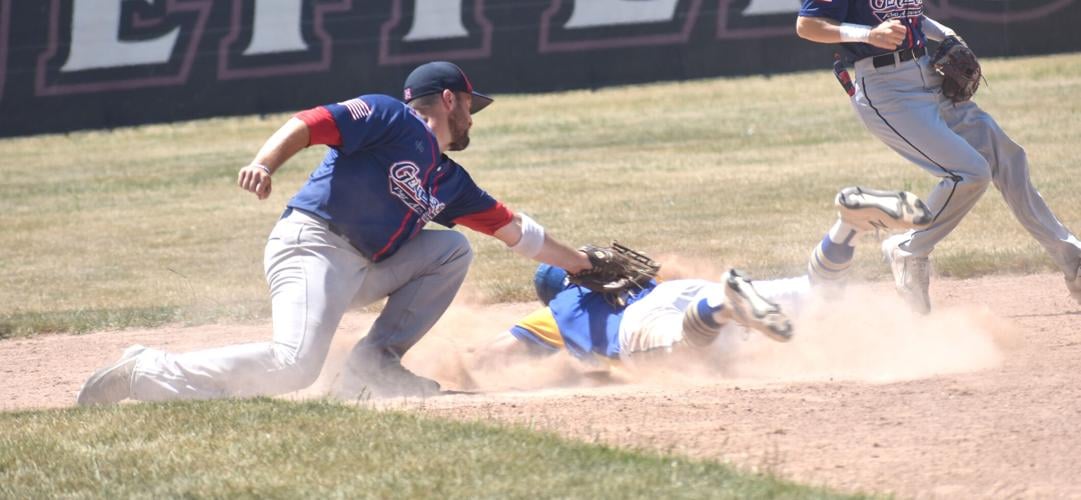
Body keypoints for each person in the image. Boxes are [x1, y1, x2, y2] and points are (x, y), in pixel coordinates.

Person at [76, 61, 599, 404]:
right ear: (447, 99)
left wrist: (582, 264)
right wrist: (264, 162)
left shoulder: (448, 178)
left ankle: (374, 366)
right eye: (469, 105)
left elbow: (517, 232)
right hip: (313, 247)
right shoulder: (392, 117)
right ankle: (147, 371)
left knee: (450, 249)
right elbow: (309, 123)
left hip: (362, 268)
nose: (471, 118)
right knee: (294, 366)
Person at [456, 187, 932, 381]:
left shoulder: (557, 312)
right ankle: (847, 224)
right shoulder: (639, 277)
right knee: (822, 292)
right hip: (682, 293)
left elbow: (493, 355)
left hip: (655, 323)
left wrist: (460, 363)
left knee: (684, 346)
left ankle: (728, 306)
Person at [794, 3, 1081, 313]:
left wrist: (946, 34)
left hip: (927, 71)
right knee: (970, 173)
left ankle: (1073, 261)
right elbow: (807, 26)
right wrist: (868, 34)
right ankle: (909, 250)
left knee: (1007, 156)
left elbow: (910, 15)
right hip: (887, 91)